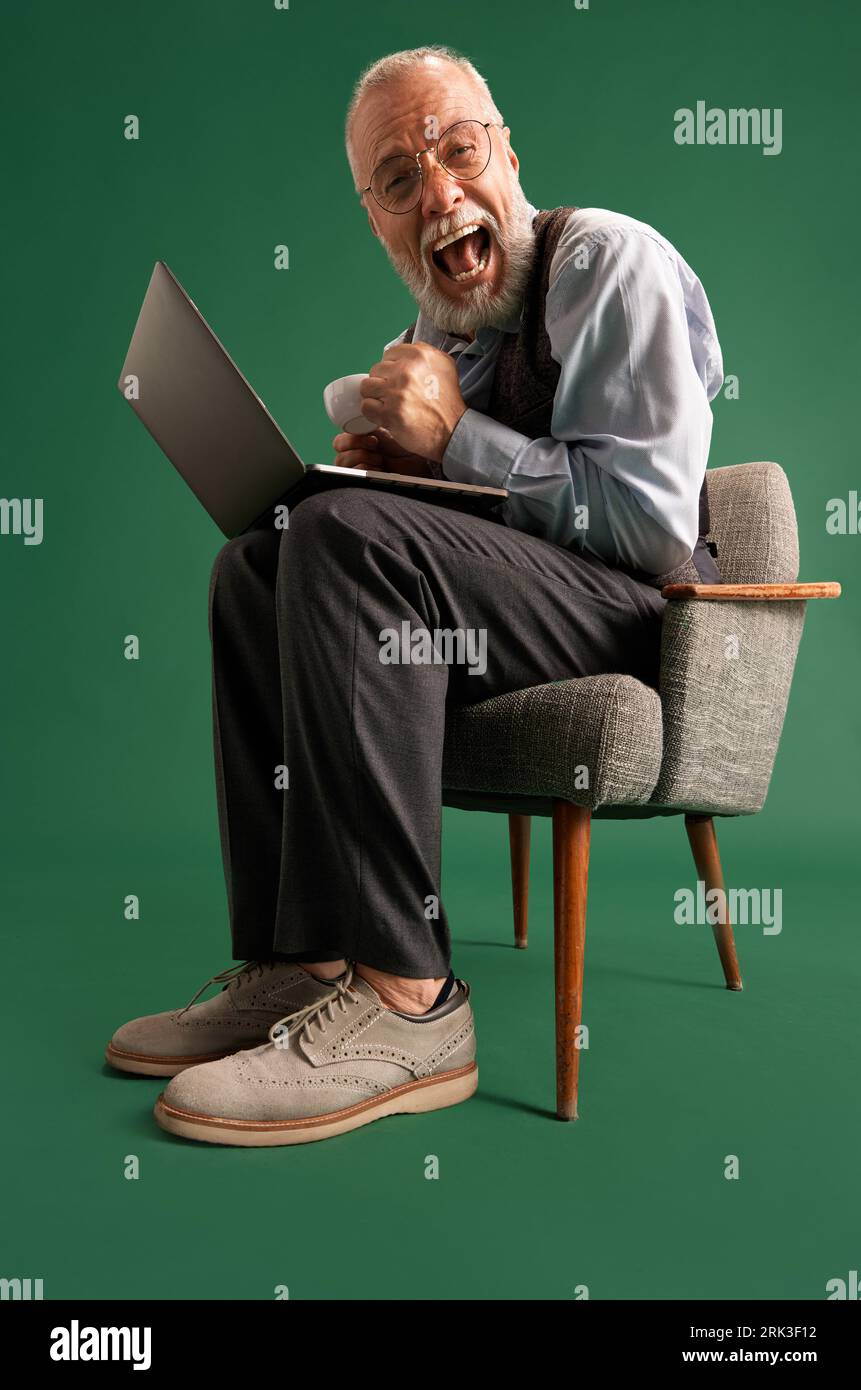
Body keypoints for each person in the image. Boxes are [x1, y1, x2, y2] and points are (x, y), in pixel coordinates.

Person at [106, 44, 723, 1146]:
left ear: (508, 152)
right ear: (379, 221)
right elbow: (444, 528)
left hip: (634, 620)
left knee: (341, 538)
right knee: (269, 551)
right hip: (514, 610)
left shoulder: (610, 265)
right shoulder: (436, 332)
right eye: (398, 179)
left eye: (458, 147)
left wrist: (457, 444)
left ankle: (409, 998)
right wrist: (398, 476)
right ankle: (302, 962)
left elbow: (650, 525)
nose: (438, 191)